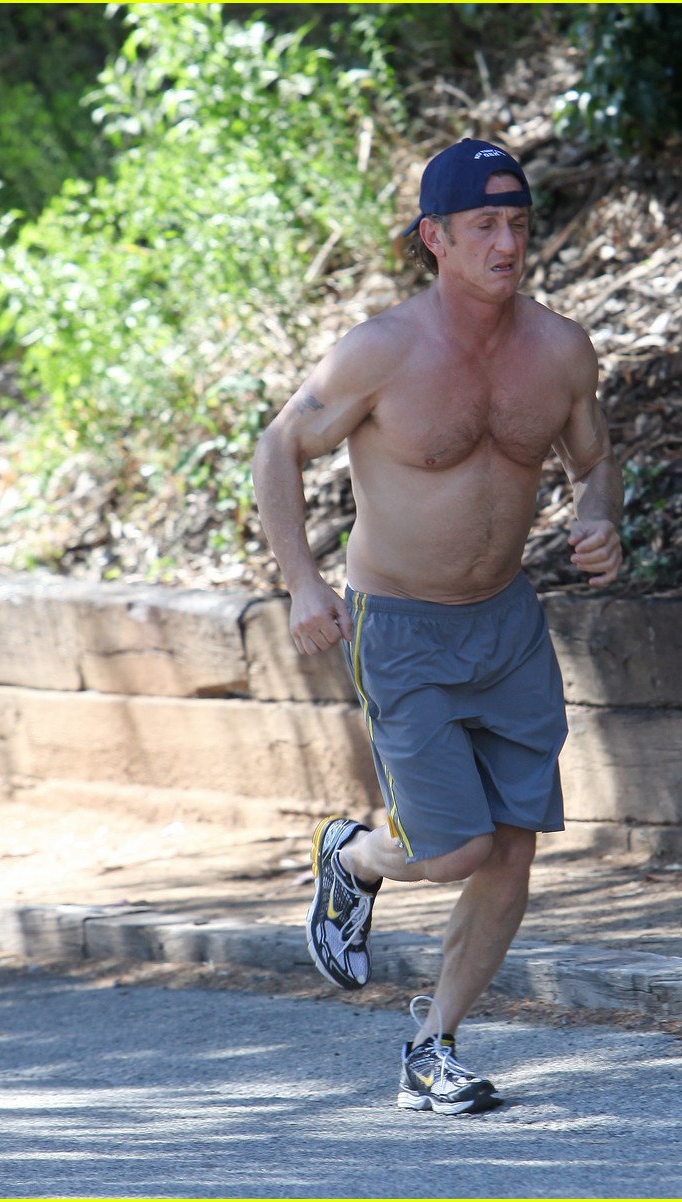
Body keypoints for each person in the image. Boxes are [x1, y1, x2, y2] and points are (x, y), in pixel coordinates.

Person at [251, 137, 623, 1115]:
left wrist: (599, 517)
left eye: (519, 224)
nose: (508, 244)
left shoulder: (560, 348)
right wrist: (301, 581)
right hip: (401, 629)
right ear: (436, 238)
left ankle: (433, 1044)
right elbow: (278, 447)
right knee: (451, 846)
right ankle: (352, 856)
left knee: (512, 848)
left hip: (505, 625)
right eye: (485, 227)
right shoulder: (381, 351)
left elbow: (593, 457)